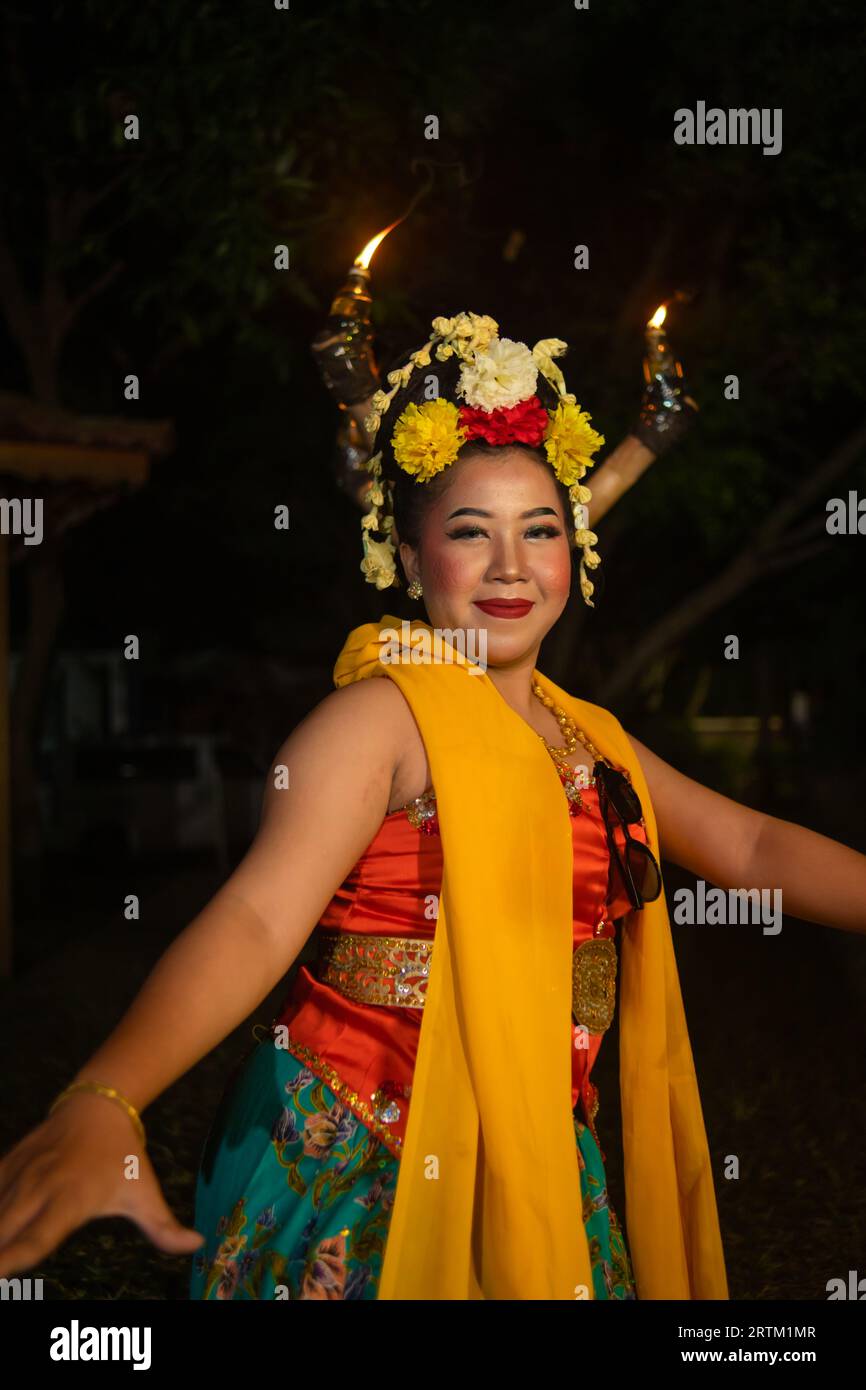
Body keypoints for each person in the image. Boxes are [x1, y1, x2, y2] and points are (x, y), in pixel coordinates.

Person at [0, 312, 864, 1302]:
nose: (508, 565)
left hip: (537, 1151)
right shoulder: (379, 720)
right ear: (410, 563)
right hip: (360, 1155)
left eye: (538, 531)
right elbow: (254, 918)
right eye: (469, 533)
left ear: (572, 556)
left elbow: (750, 844)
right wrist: (109, 1094)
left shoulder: (593, 739)